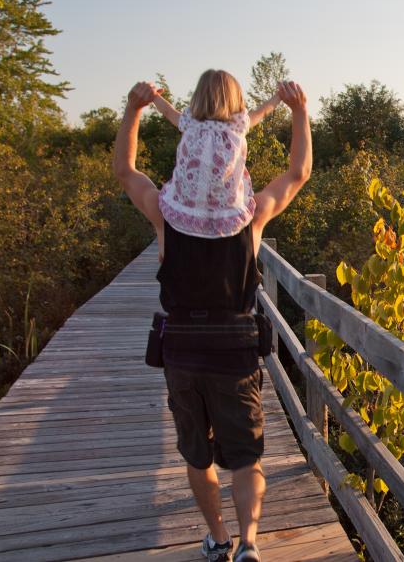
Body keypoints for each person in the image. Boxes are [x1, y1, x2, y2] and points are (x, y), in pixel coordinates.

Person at [113, 79, 312, 562]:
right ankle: (248, 544)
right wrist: (299, 111)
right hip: (236, 351)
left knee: (197, 455)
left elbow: (125, 170)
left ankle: (218, 538)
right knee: (247, 457)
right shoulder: (252, 215)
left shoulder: (164, 212)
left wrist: (134, 110)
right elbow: (298, 173)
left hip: (181, 352)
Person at [146, 70, 283, 261]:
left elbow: (168, 112)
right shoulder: (237, 126)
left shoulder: (189, 123)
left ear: (198, 97)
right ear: (235, 98)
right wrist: (278, 97)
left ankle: (170, 254)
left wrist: (153, 97)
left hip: (186, 207)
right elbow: (262, 111)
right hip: (227, 210)